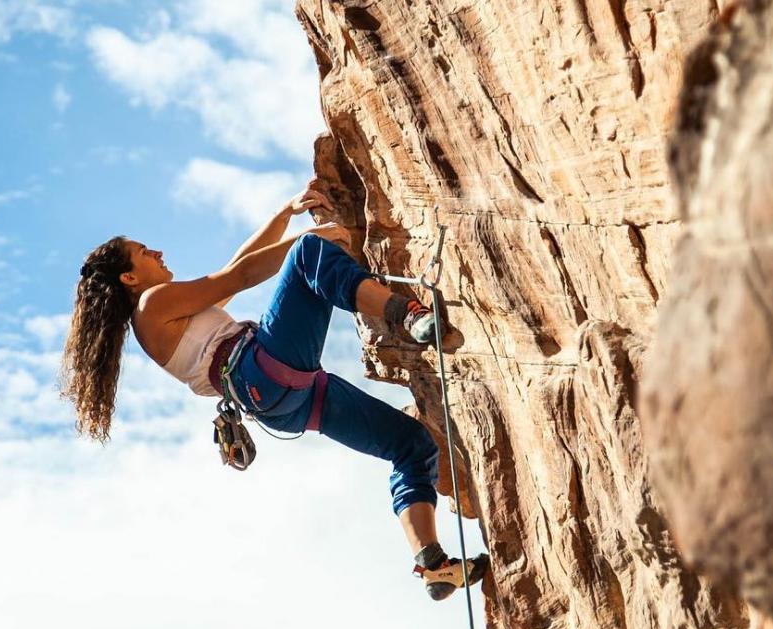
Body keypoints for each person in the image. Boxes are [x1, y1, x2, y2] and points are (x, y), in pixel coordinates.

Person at [60, 178, 488, 600]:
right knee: (308, 256)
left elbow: (238, 265)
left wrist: (284, 213)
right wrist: (308, 236)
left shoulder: (166, 318)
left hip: (282, 401)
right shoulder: (153, 306)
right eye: (142, 252)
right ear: (130, 278)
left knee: (411, 445)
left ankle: (431, 564)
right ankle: (408, 315)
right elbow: (239, 275)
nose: (157, 252)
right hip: (260, 371)